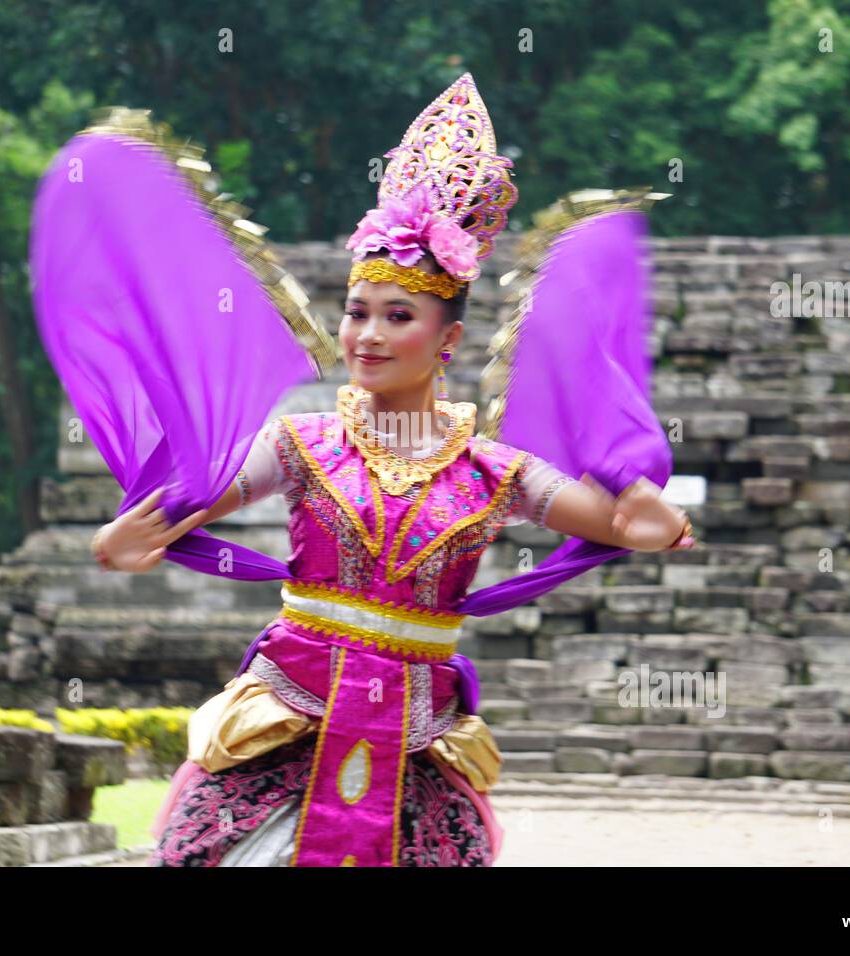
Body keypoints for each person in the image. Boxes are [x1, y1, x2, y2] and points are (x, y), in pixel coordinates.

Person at [87, 73, 695, 867]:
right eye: (357, 312)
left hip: (416, 741)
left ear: (447, 339)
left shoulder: (495, 471)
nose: (367, 335)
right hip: (287, 722)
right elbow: (188, 508)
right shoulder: (301, 444)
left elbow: (618, 523)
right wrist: (131, 537)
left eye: (397, 316)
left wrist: (651, 514)